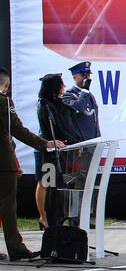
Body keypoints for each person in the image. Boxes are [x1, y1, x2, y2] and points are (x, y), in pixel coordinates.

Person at [1, 68, 64, 263]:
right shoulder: (4, 102)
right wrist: (44, 143)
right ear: (6, 84)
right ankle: (15, 247)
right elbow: (18, 130)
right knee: (7, 206)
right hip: (3, 162)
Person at [34, 74, 80, 230]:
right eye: (61, 84)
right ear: (54, 86)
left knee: (55, 184)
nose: (64, 86)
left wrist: (76, 140)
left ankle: (57, 217)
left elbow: (68, 123)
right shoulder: (44, 105)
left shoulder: (59, 103)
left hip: (59, 151)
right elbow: (56, 128)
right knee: (45, 183)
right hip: (46, 150)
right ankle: (44, 217)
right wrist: (70, 140)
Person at [60, 61, 101, 143]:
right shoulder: (68, 95)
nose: (87, 78)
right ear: (74, 77)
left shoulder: (88, 94)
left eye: (88, 75)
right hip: (80, 144)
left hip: (93, 142)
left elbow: (94, 120)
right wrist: (85, 89)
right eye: (84, 75)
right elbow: (79, 108)